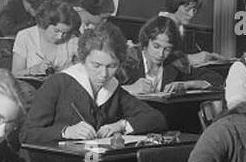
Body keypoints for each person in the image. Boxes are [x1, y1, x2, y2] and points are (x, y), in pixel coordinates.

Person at [21, 24, 168, 144]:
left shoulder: (113, 89)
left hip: (94, 160)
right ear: (83, 59)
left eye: (111, 66)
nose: (104, 75)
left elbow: (157, 119)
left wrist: (121, 125)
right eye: (96, 65)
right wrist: (66, 132)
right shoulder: (58, 83)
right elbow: (27, 134)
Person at [121, 15, 211, 95]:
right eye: (156, 46)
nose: (161, 54)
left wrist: (186, 85)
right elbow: (106, 91)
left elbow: (214, 79)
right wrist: (130, 89)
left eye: (167, 49)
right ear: (146, 41)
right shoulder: (128, 59)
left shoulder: (176, 61)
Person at [156, 0, 219, 68]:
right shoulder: (162, 26)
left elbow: (176, 55)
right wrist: (190, 59)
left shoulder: (178, 26)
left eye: (194, 10)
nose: (191, 15)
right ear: (175, 4)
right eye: (187, 9)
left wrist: (206, 56)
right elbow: (159, 61)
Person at [11, 0, 79, 78]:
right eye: (56, 31)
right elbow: (15, 73)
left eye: (65, 33)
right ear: (45, 23)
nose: (60, 37)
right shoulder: (25, 36)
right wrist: (34, 70)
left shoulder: (73, 39)